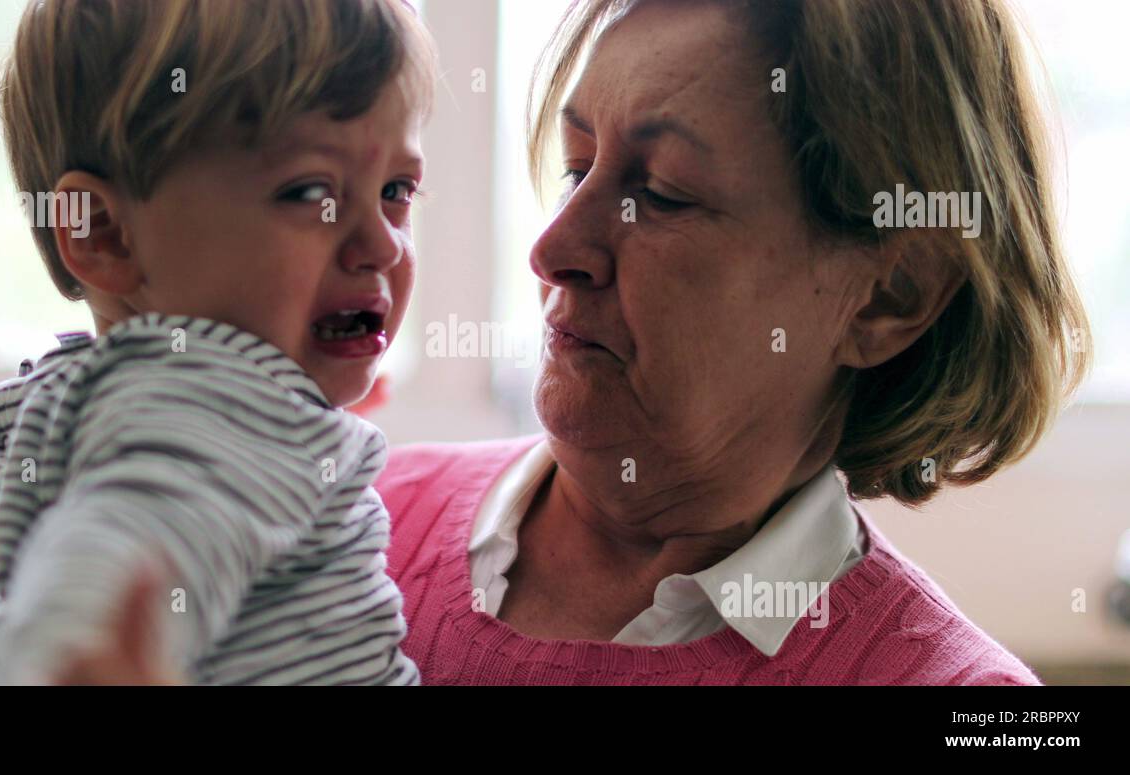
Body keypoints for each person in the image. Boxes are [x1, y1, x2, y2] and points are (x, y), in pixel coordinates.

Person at [377, 0, 1088, 684]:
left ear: (888, 297)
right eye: (575, 168)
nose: (553, 247)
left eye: (658, 194)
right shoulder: (343, 525)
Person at [0, 0, 435, 686]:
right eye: (309, 191)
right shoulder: (222, 399)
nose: (382, 243)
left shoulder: (74, 402)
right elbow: (124, 544)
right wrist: (83, 651)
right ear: (104, 235)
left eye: (396, 189)